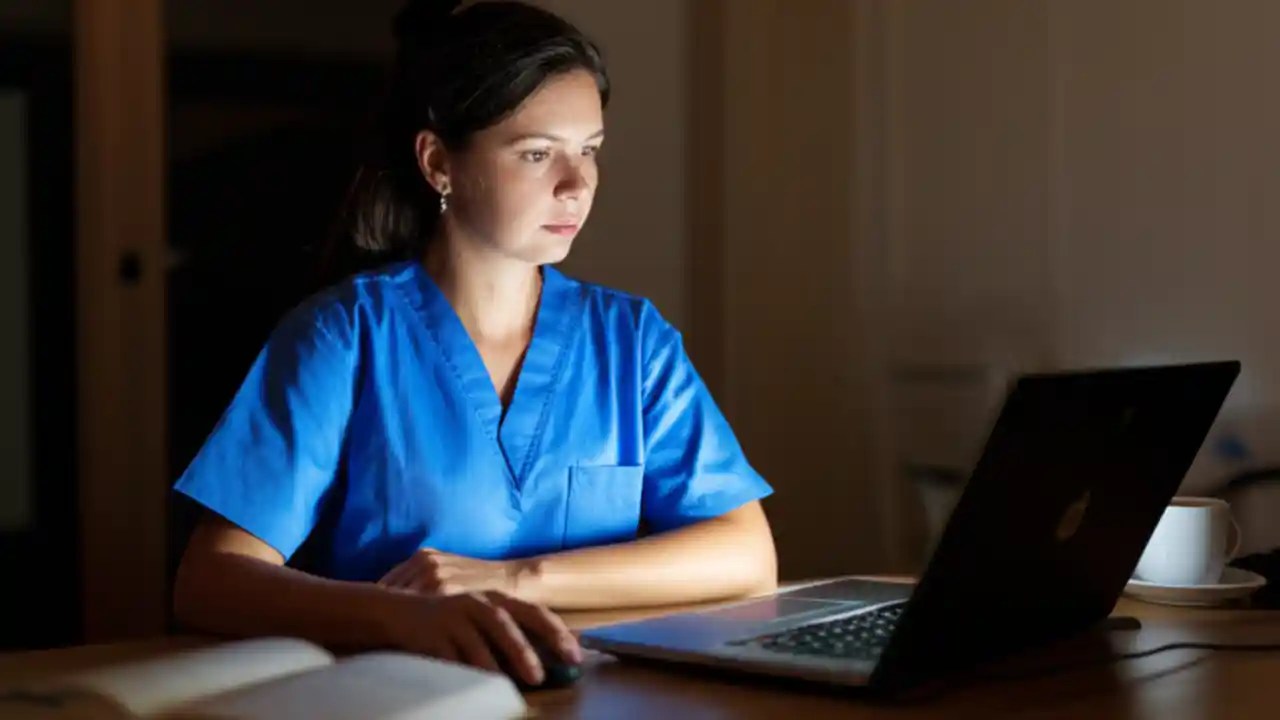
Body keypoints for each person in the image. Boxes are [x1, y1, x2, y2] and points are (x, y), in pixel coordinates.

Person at [171, 0, 777, 687]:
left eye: (590, 151)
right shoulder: (342, 339)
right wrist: (402, 617)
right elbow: (210, 581)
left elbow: (747, 553)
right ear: (438, 163)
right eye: (538, 153)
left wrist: (517, 579)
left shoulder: (632, 342)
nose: (578, 185)